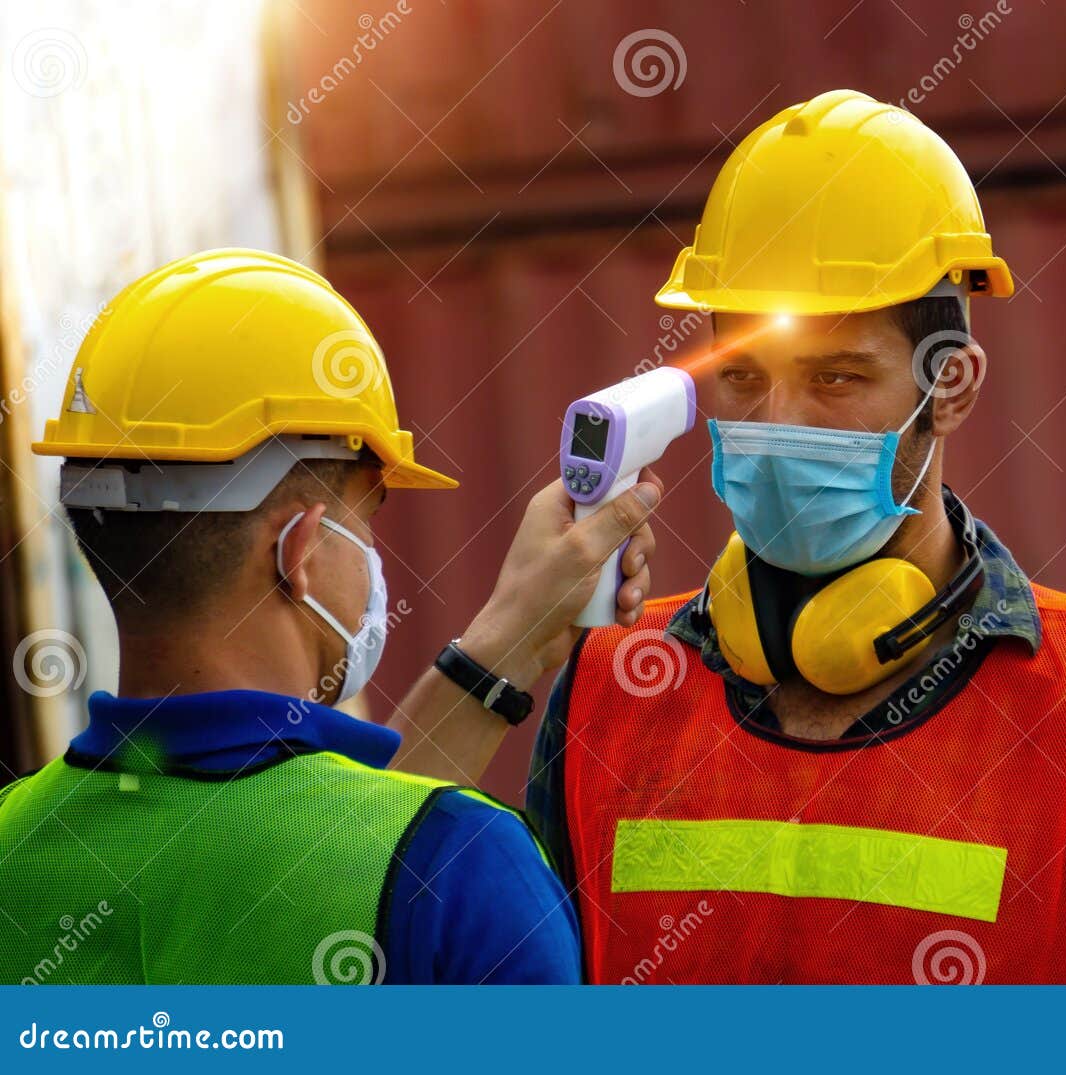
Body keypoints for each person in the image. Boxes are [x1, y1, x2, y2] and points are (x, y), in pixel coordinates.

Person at [517, 89, 1066, 983]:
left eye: (834, 376)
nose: (778, 423)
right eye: (743, 376)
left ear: (954, 386)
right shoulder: (606, 689)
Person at [0, 249, 660, 984]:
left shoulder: (14, 846)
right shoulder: (467, 868)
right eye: (368, 516)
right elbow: (365, 857)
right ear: (302, 549)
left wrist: (504, 648)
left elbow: (318, 841)